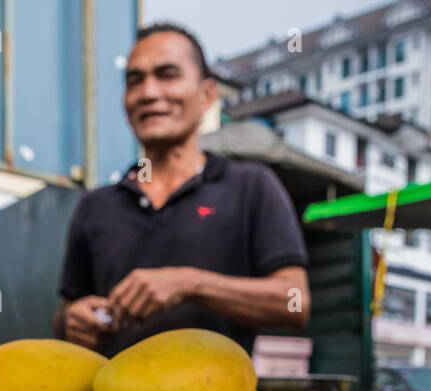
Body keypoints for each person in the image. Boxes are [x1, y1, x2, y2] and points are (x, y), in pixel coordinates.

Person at [54, 22, 310, 356]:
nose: (149, 93)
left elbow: (295, 303)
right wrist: (70, 321)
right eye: (135, 80)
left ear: (206, 95)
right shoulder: (96, 206)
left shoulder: (251, 187)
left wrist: (191, 284)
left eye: (167, 75)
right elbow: (65, 313)